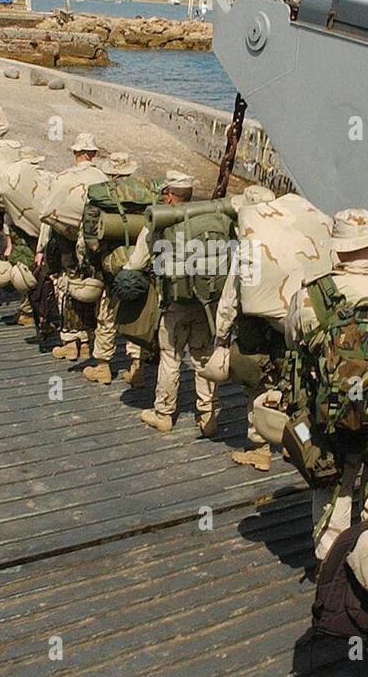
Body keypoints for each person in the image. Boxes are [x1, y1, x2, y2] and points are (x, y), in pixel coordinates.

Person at [285, 208, 368, 555]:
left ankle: (330, 563)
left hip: (329, 417)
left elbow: (293, 343)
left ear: (338, 247)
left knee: (333, 486)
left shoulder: (310, 294)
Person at [121, 171, 221, 434]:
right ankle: (208, 415)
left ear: (167, 195)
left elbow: (137, 263)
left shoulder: (159, 222)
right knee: (203, 358)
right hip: (205, 302)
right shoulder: (209, 217)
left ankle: (164, 414)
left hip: (174, 304)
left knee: (171, 357)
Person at [216, 184, 282, 471]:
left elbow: (231, 297)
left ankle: (260, 447)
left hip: (255, 333)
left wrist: (220, 335)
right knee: (286, 387)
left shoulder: (249, 248)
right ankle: (295, 442)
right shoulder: (290, 242)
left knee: (256, 387)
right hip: (287, 331)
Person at [36, 134, 107, 361]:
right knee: (90, 288)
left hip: (65, 242)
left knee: (65, 287)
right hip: (93, 243)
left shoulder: (62, 177)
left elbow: (47, 215)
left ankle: (70, 341)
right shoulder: (102, 177)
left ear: (75, 153)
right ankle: (87, 340)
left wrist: (42, 248)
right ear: (93, 154)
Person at [82, 151, 148, 385]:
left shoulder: (102, 196)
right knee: (136, 311)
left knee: (107, 313)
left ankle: (103, 366)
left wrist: (99, 257)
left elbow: (91, 239)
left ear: (110, 172)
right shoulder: (144, 194)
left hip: (113, 263)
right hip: (141, 262)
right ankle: (137, 366)